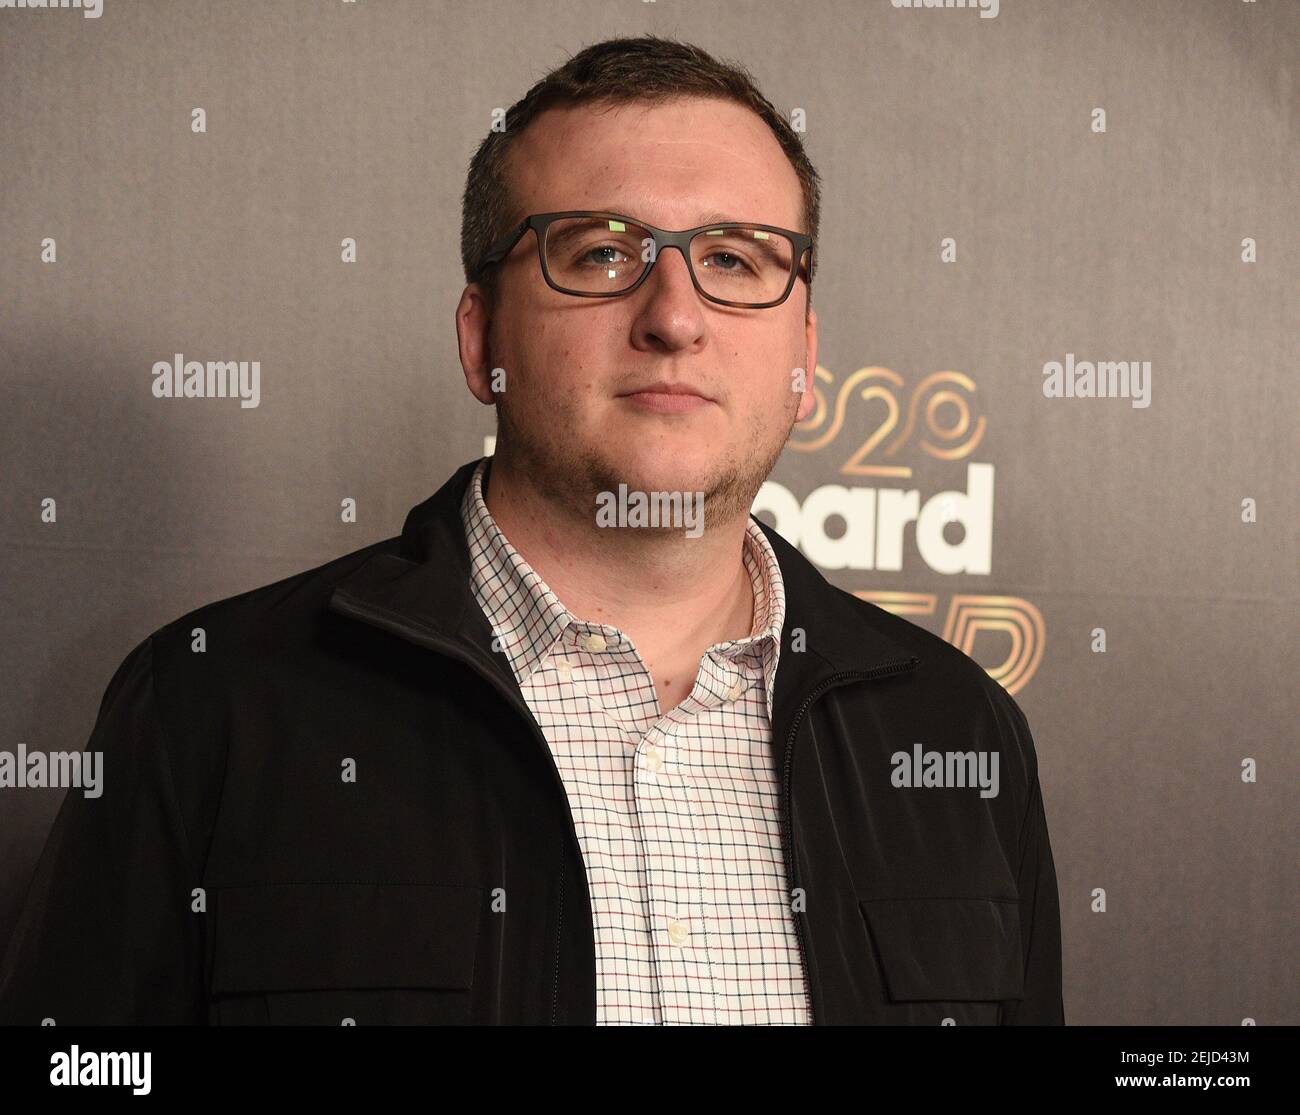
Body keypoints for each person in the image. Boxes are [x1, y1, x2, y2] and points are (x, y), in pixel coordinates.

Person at [0, 35, 1062, 1025]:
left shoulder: (958, 732)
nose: (675, 314)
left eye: (736, 260)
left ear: (805, 355)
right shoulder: (208, 705)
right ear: (481, 340)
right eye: (600, 252)